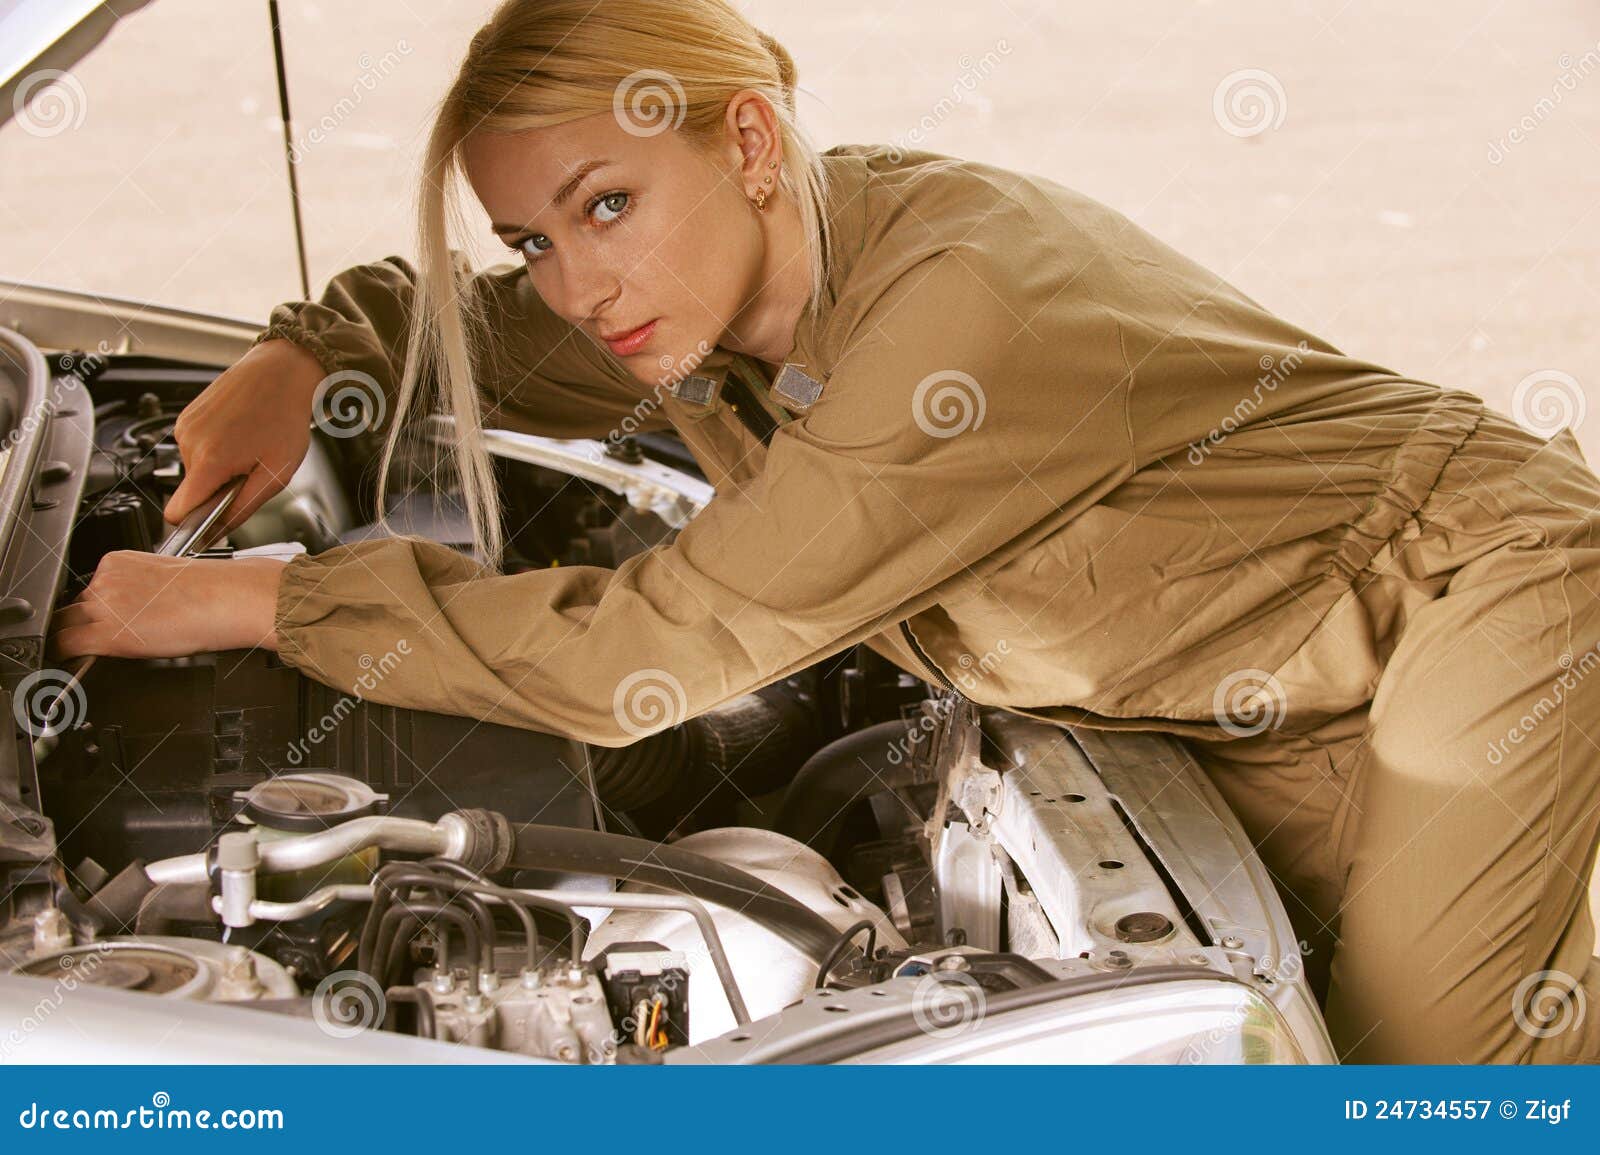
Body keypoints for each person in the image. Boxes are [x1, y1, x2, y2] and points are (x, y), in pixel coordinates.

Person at [47, 0, 1599, 1064]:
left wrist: (262, 610)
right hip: (1259, 651)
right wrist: (308, 354)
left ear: (744, 143)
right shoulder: (707, 287)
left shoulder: (954, 314)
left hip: (1472, 585)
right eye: (533, 235)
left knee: (1428, 1082)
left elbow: (659, 650)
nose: (577, 283)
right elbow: (478, 333)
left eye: (604, 207)